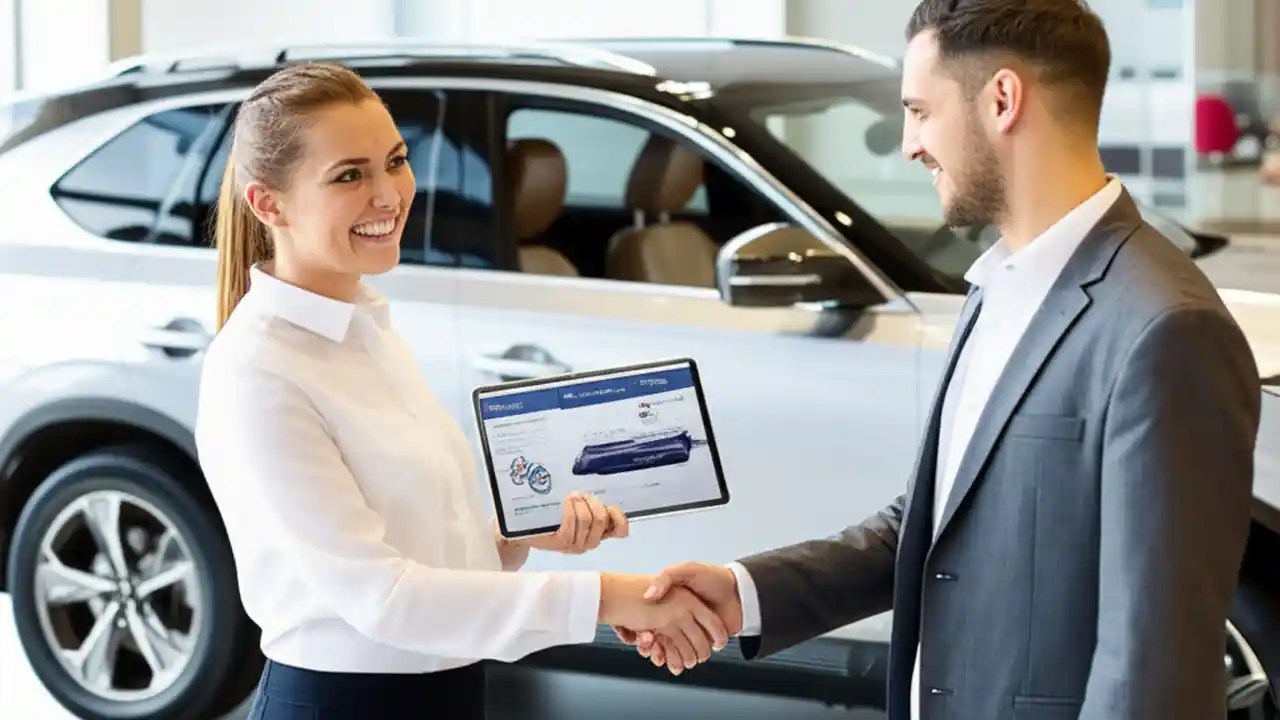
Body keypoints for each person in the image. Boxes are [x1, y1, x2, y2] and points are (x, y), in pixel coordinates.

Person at [622, 1, 1263, 718]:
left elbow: (1155, 667)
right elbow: (926, 529)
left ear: (1002, 100)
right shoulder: (997, 287)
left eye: (920, 111)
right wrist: (743, 592)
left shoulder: (1167, 329)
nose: (909, 144)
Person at [194, 62, 727, 720]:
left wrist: (516, 536)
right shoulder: (259, 370)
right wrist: (611, 595)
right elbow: (383, 598)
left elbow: (412, 544)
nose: (389, 194)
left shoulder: (365, 325)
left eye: (395, 160)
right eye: (349, 175)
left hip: (445, 694)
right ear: (268, 204)